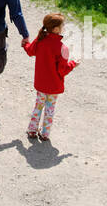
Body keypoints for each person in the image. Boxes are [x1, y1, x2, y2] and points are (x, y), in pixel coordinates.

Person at [23, 12, 78, 142]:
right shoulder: (62, 48)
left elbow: (30, 51)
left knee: (38, 106)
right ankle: (45, 133)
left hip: (41, 84)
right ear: (56, 29)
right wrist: (73, 64)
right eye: (62, 25)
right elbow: (63, 70)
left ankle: (32, 130)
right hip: (54, 86)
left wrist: (25, 44)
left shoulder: (40, 40)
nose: (63, 27)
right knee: (50, 109)